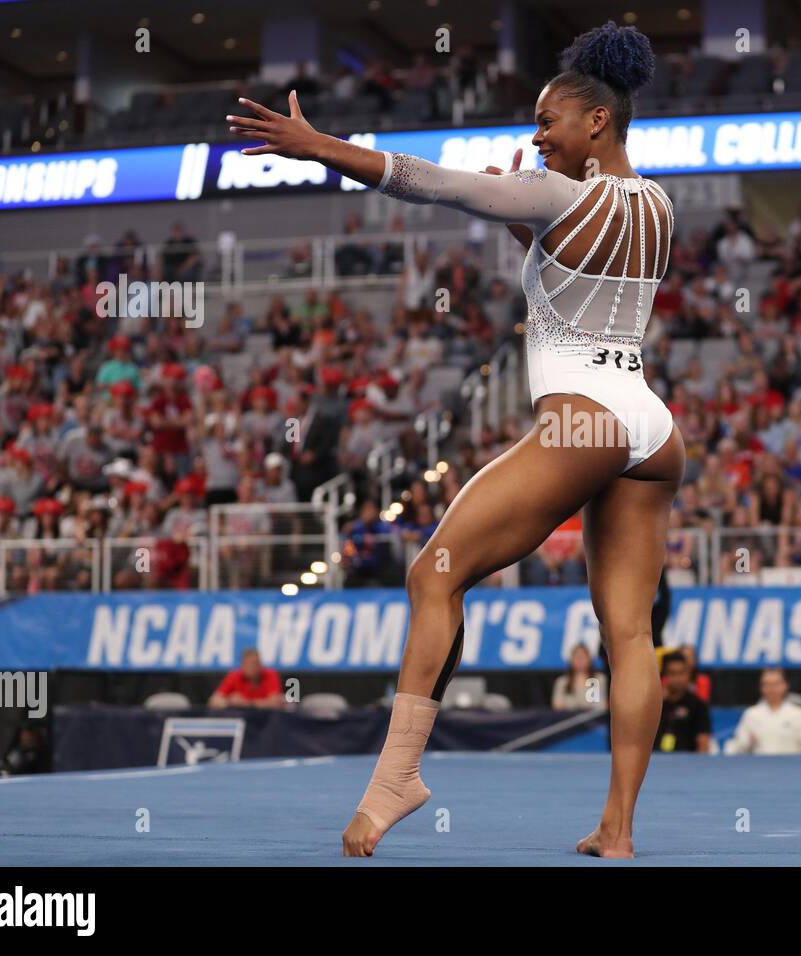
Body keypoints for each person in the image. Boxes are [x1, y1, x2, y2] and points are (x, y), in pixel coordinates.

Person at [230, 21, 682, 860]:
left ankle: (396, 777)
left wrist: (314, 144)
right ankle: (617, 831)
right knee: (628, 633)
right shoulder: (655, 203)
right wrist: (527, 221)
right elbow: (577, 276)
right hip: (650, 429)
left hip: (584, 418)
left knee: (434, 573)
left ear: (596, 123)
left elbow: (425, 182)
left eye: (549, 121)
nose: (536, 136)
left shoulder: (559, 196)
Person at [726, 668, 801, 754]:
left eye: (776, 684)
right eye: (767, 684)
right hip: (759, 768)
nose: (771, 689)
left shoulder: (798, 714)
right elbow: (736, 748)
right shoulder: (751, 714)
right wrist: (747, 742)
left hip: (791, 768)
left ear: (785, 685)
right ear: (761, 687)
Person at [655, 652, 711, 754]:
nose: (677, 679)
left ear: (689, 675)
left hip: (688, 764)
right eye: (672, 673)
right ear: (664, 676)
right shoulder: (655, 705)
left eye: (681, 673)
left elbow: (703, 744)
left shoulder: (698, 705)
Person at [208, 649, 285, 710]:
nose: (253, 668)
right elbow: (214, 700)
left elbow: (275, 703)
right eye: (249, 664)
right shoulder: (234, 675)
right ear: (243, 665)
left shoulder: (270, 674)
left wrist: (247, 703)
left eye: (255, 663)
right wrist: (229, 702)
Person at [552, 644, 607, 710]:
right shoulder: (562, 681)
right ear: (571, 660)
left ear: (589, 659)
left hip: (592, 718)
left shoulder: (599, 679)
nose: (580, 661)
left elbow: (601, 705)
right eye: (577, 657)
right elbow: (557, 705)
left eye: (583, 657)